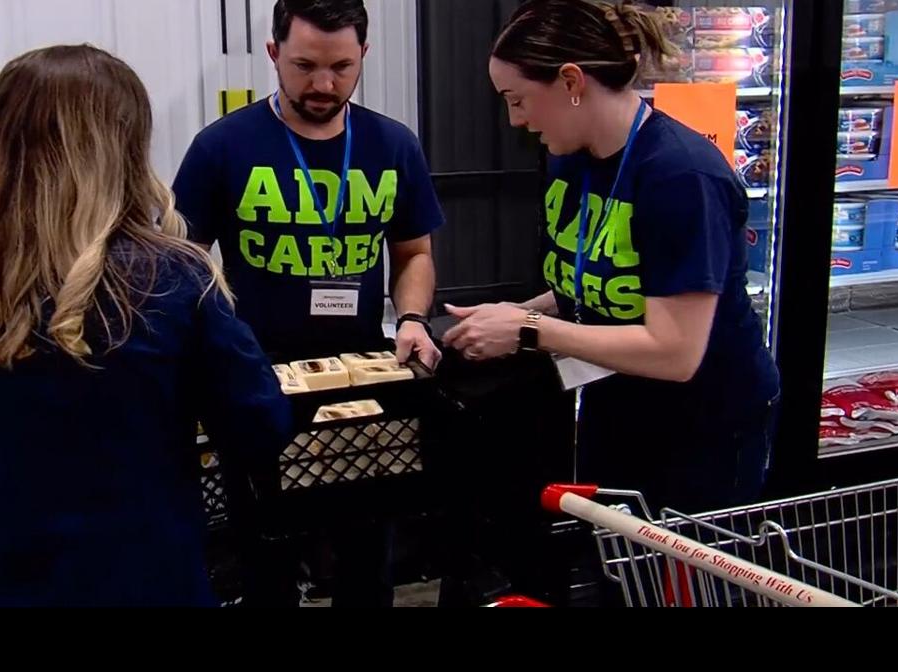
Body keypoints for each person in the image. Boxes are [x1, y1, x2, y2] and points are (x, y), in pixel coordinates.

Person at [0, 44, 291, 608]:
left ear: (1, 141)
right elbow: (259, 424)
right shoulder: (173, 278)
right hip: (132, 576)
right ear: (124, 147)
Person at [444, 0, 781, 517]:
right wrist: (507, 316)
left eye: (519, 99)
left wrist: (527, 328)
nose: (516, 119)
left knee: (682, 582)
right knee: (620, 567)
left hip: (702, 425)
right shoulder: (571, 156)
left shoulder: (681, 176)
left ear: (572, 82)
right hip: (617, 401)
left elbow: (675, 351)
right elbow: (593, 279)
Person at [172, 0, 446, 607]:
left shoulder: (392, 144)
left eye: (342, 68)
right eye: (304, 66)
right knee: (263, 550)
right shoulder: (221, 147)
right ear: (273, 54)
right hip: (256, 375)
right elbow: (182, 262)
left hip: (364, 373)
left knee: (366, 546)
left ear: (364, 57)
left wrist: (413, 320)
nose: (324, 85)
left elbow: (414, 254)